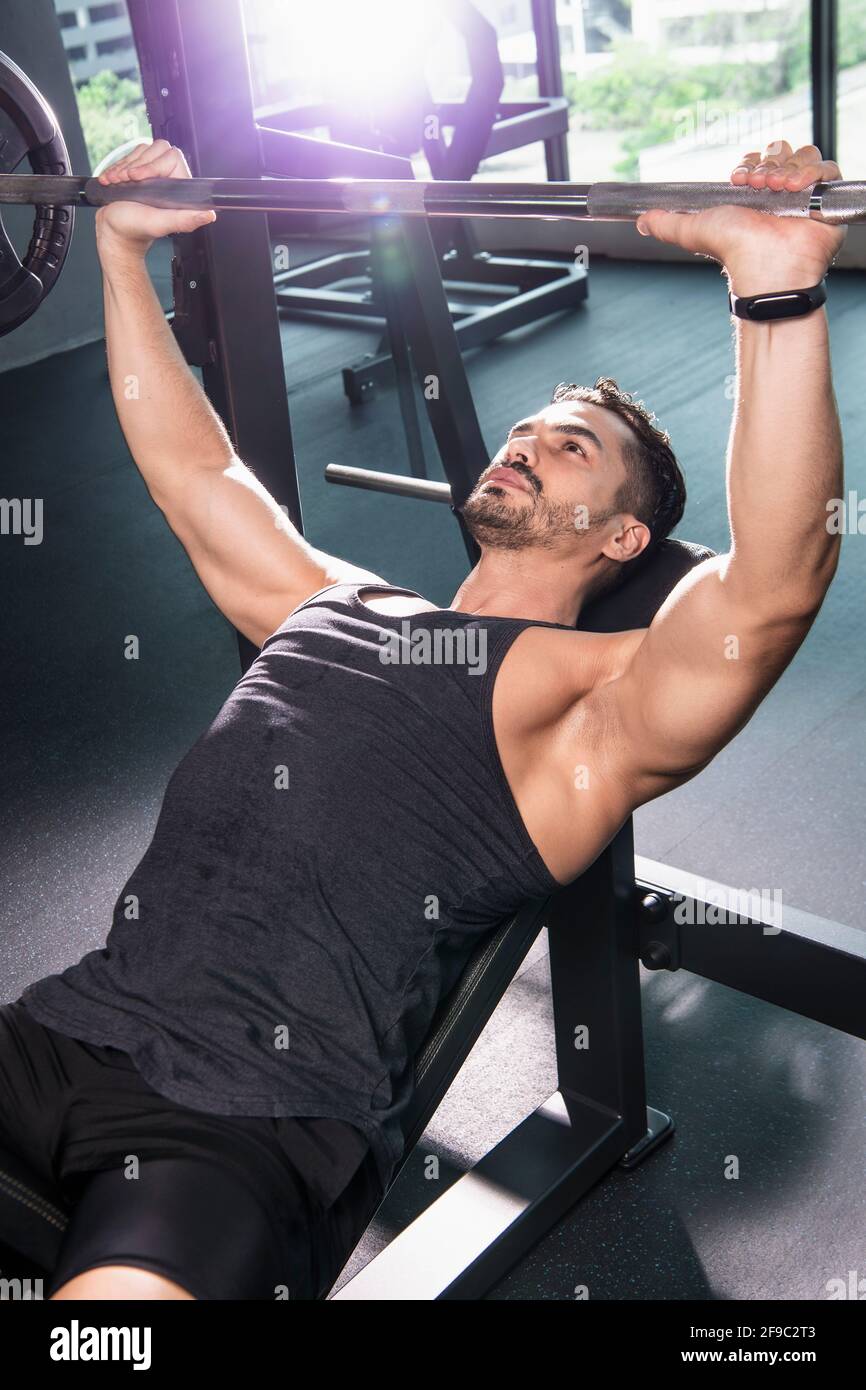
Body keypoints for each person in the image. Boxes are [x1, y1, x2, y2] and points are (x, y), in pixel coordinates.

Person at [1, 139, 844, 1300]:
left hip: (239, 1121)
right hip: (62, 1030)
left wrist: (773, 283)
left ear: (622, 541)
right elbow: (195, 475)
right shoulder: (330, 600)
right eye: (526, 430)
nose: (525, 445)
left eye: (570, 447)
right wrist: (121, 248)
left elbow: (774, 586)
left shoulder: (585, 699)